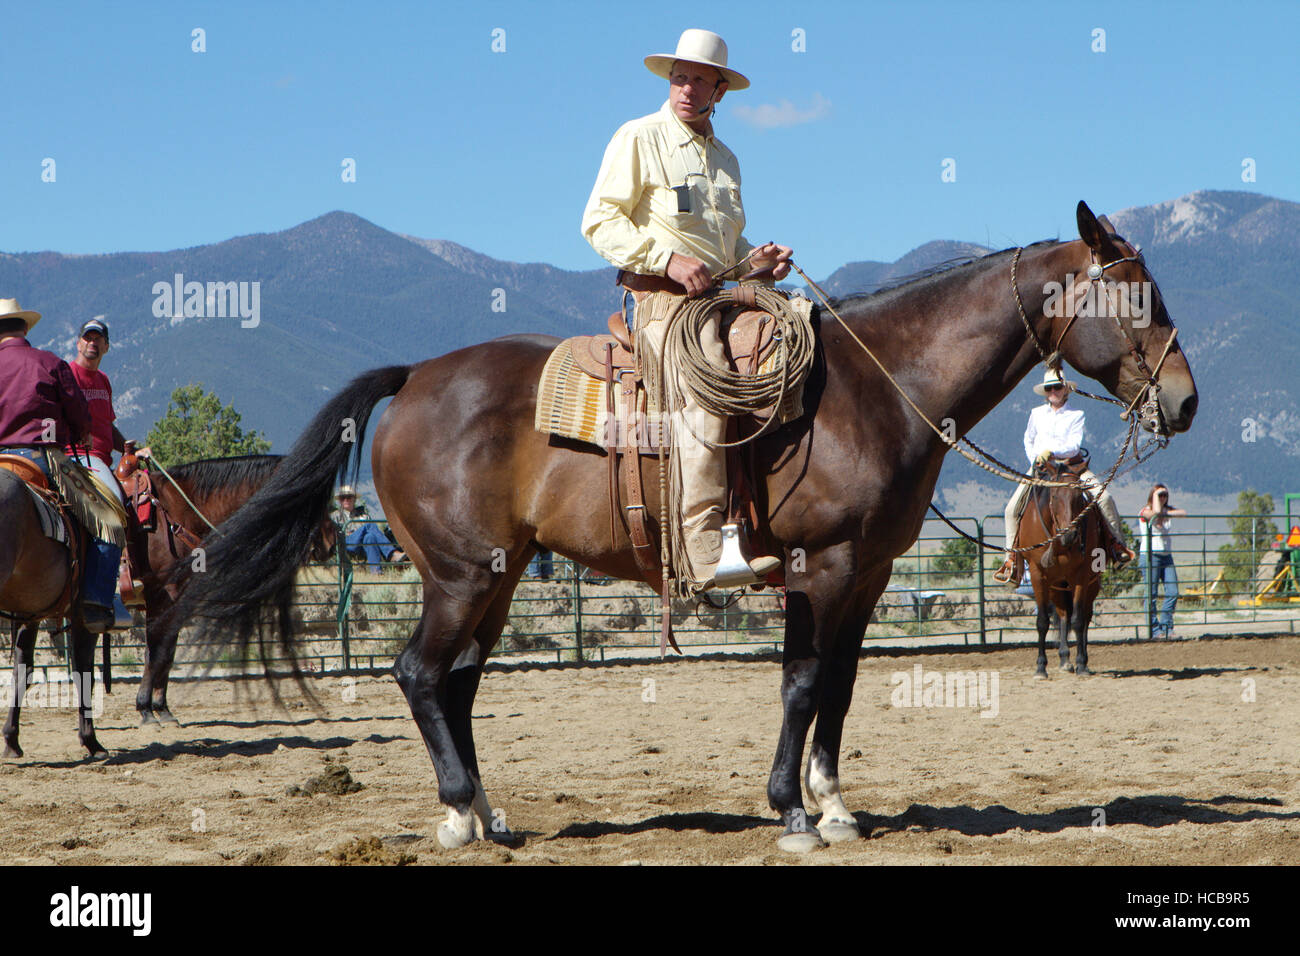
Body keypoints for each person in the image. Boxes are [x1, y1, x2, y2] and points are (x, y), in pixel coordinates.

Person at [581, 28, 792, 592]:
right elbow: (599, 222)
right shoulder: (639, 136)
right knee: (708, 385)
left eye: (701, 79)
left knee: (792, 344)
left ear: (720, 89)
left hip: (718, 297)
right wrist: (666, 259)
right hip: (658, 301)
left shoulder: (726, 158)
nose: (688, 88)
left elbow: (727, 253)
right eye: (680, 76)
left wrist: (757, 264)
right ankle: (702, 550)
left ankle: (772, 523)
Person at [0, 299, 119, 631]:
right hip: (44, 457)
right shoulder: (49, 362)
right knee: (108, 519)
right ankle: (96, 600)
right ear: (24, 328)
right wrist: (79, 434)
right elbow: (81, 419)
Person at [994, 368, 1136, 584]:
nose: (1053, 391)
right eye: (1049, 388)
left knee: (1105, 498)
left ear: (1065, 389)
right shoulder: (1036, 414)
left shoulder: (1076, 415)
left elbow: (1073, 446)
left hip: (1072, 468)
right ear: (1045, 392)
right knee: (1011, 509)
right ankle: (1011, 560)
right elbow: (1028, 439)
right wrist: (1037, 458)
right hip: (1041, 469)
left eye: (1057, 387)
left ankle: (1117, 546)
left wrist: (1051, 451)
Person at [1138, 483, 1186, 639]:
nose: (1163, 497)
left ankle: (1166, 626)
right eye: (1160, 495)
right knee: (1151, 594)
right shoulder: (1145, 511)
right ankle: (1154, 630)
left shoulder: (1166, 511)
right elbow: (1155, 513)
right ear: (1152, 496)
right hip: (1150, 555)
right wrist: (1157, 500)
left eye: (1165, 494)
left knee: (1173, 591)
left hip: (1166, 555)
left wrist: (1166, 512)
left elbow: (1183, 513)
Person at [331, 486, 405, 573]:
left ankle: (376, 572)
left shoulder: (363, 515)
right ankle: (392, 554)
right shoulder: (334, 516)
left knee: (370, 537)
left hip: (361, 546)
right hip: (345, 544)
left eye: (349, 497)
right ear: (339, 500)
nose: (346, 500)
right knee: (369, 525)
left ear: (354, 499)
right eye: (343, 498)